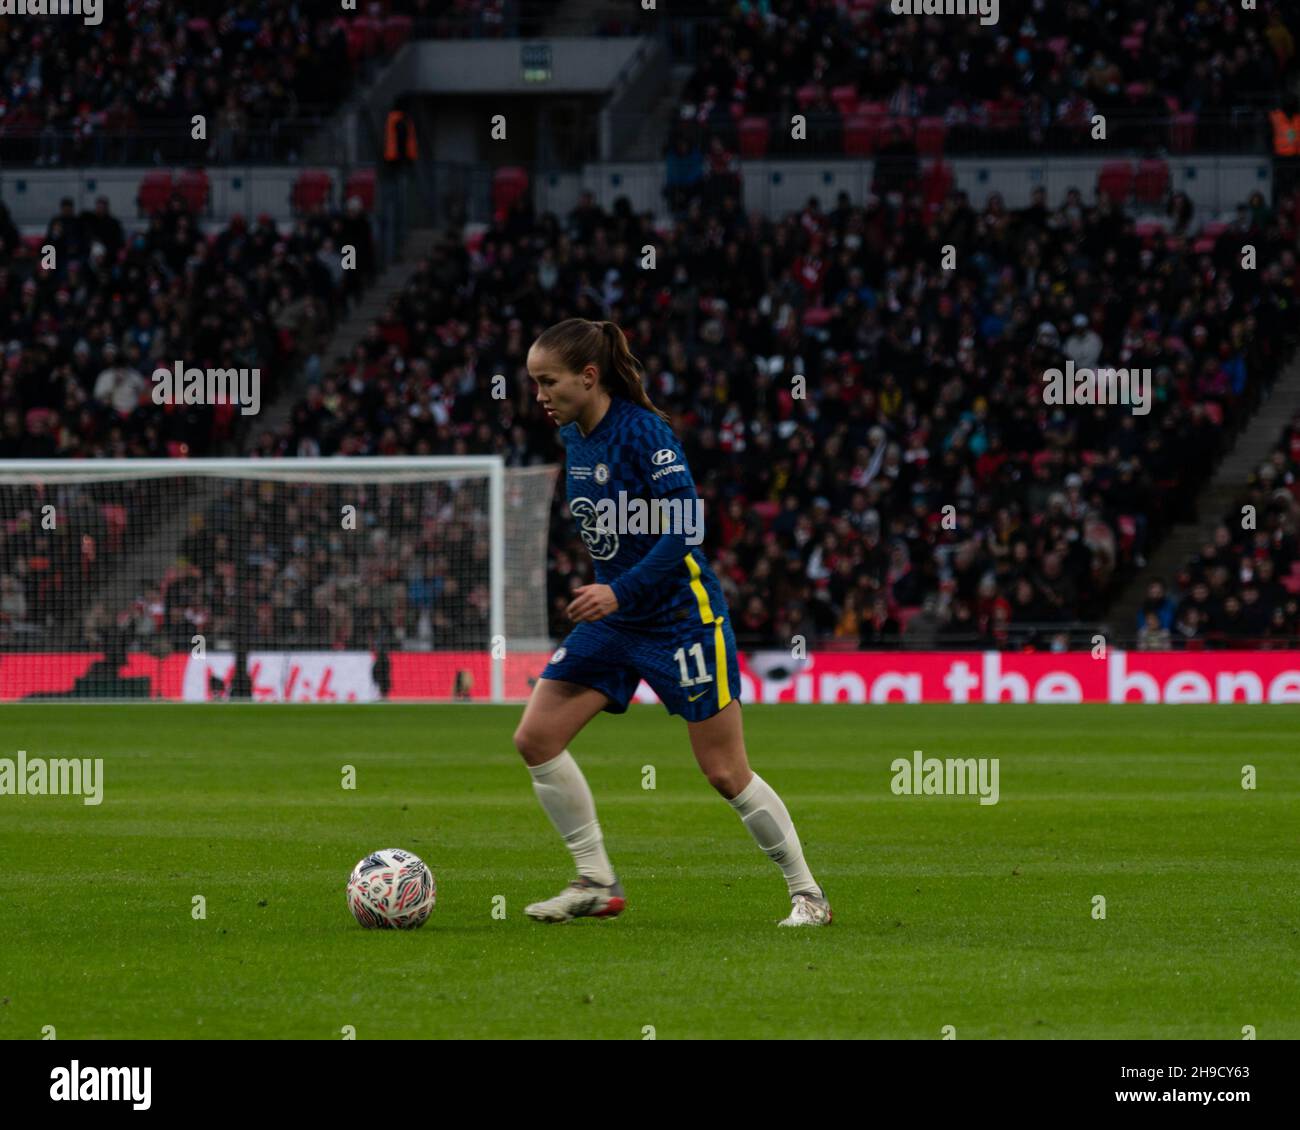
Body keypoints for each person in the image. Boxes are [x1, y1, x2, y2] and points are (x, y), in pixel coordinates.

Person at [515, 318, 831, 926]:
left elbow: (688, 530)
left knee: (724, 772)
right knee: (536, 737)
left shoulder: (645, 434)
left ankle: (808, 895)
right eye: (533, 383)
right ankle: (596, 881)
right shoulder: (574, 438)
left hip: (681, 619)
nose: (539, 395)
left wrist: (618, 591)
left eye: (548, 381)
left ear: (588, 376)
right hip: (618, 620)